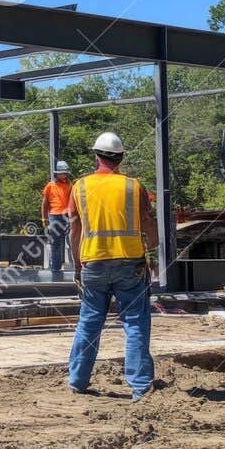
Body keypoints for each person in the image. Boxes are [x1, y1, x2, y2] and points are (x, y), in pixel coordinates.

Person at [66, 132, 158, 399]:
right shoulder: (133, 186)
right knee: (136, 322)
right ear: (121, 157)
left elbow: (74, 230)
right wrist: (153, 246)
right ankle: (140, 386)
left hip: (93, 262)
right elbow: (148, 222)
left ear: (96, 156)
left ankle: (77, 381)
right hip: (130, 264)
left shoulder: (80, 186)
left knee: (89, 322)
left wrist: (77, 266)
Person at [42, 161, 73, 277]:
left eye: (64, 173)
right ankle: (55, 269)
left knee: (71, 242)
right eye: (61, 173)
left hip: (67, 216)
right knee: (55, 243)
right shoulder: (50, 186)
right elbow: (45, 203)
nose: (63, 175)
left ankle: (74, 267)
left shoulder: (70, 186)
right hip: (54, 216)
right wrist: (44, 218)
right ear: (57, 174)